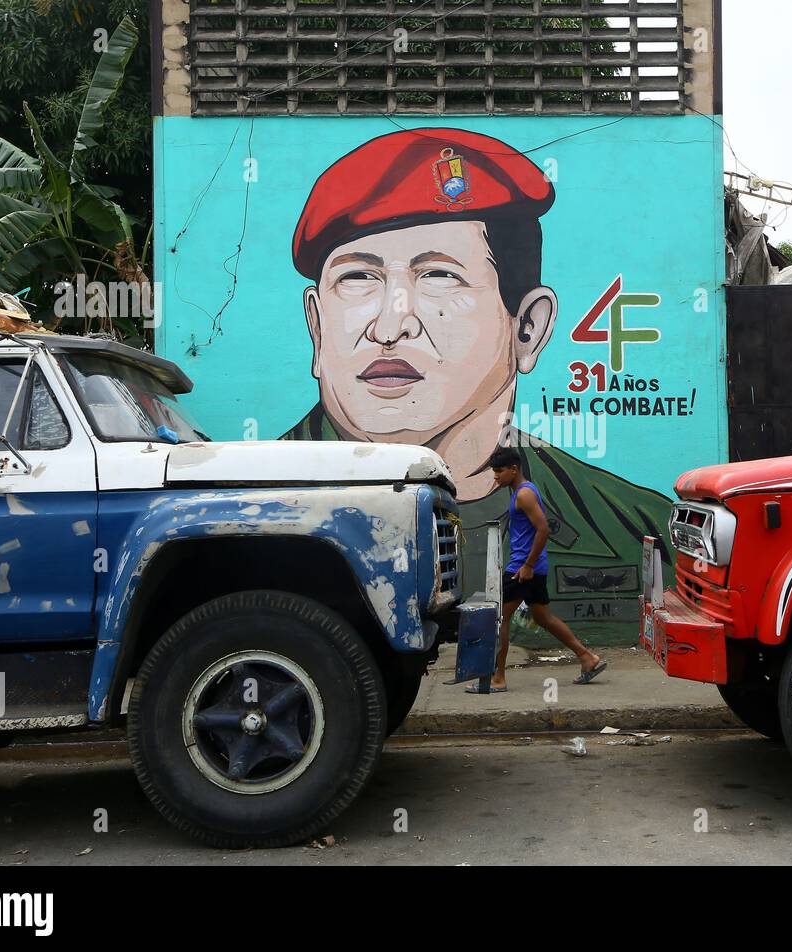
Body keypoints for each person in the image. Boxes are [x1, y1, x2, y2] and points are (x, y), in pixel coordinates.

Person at [283, 127, 673, 635]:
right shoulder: (252, 517)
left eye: (439, 277)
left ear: (527, 328)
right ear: (317, 326)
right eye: (358, 279)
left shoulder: (640, 529)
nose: (389, 325)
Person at [473, 447, 606, 692]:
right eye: (494, 472)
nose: (496, 477)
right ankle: (587, 658)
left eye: (500, 471)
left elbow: (544, 529)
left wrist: (528, 565)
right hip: (531, 568)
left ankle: (498, 679)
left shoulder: (524, 494)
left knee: (498, 618)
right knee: (543, 617)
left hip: (523, 569)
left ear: (514, 469)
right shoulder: (521, 492)